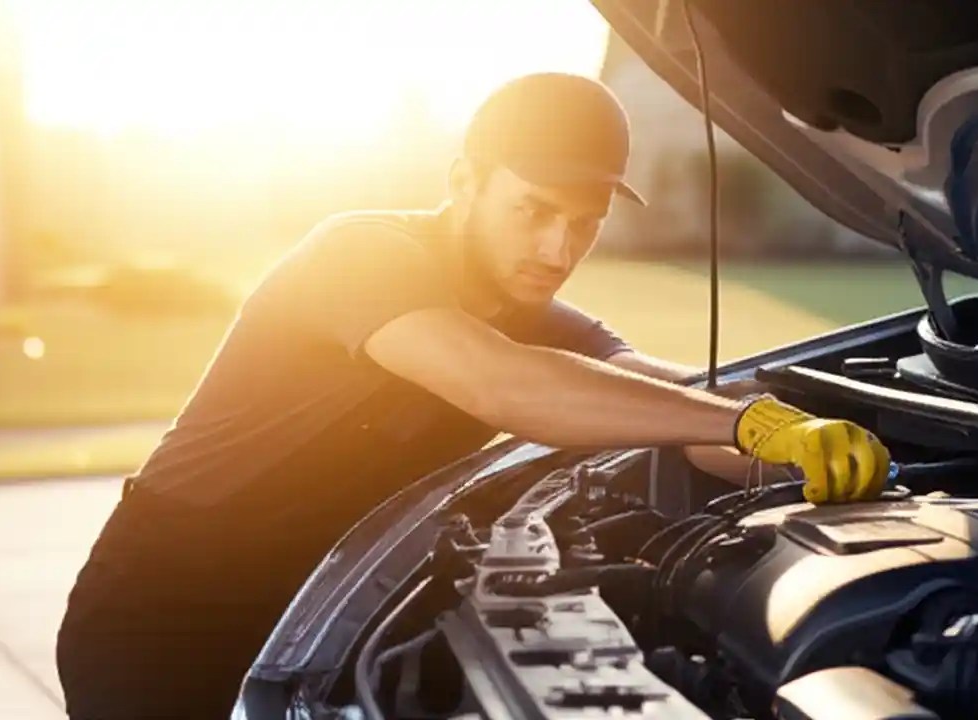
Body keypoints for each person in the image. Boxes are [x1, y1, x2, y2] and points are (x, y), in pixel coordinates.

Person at [55, 72, 889, 719]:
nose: (557, 248)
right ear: (465, 180)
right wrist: (747, 423)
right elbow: (498, 381)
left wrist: (808, 441)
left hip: (302, 617)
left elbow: (661, 396)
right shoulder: (362, 254)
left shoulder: (539, 320)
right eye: (534, 210)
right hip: (161, 612)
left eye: (586, 221)